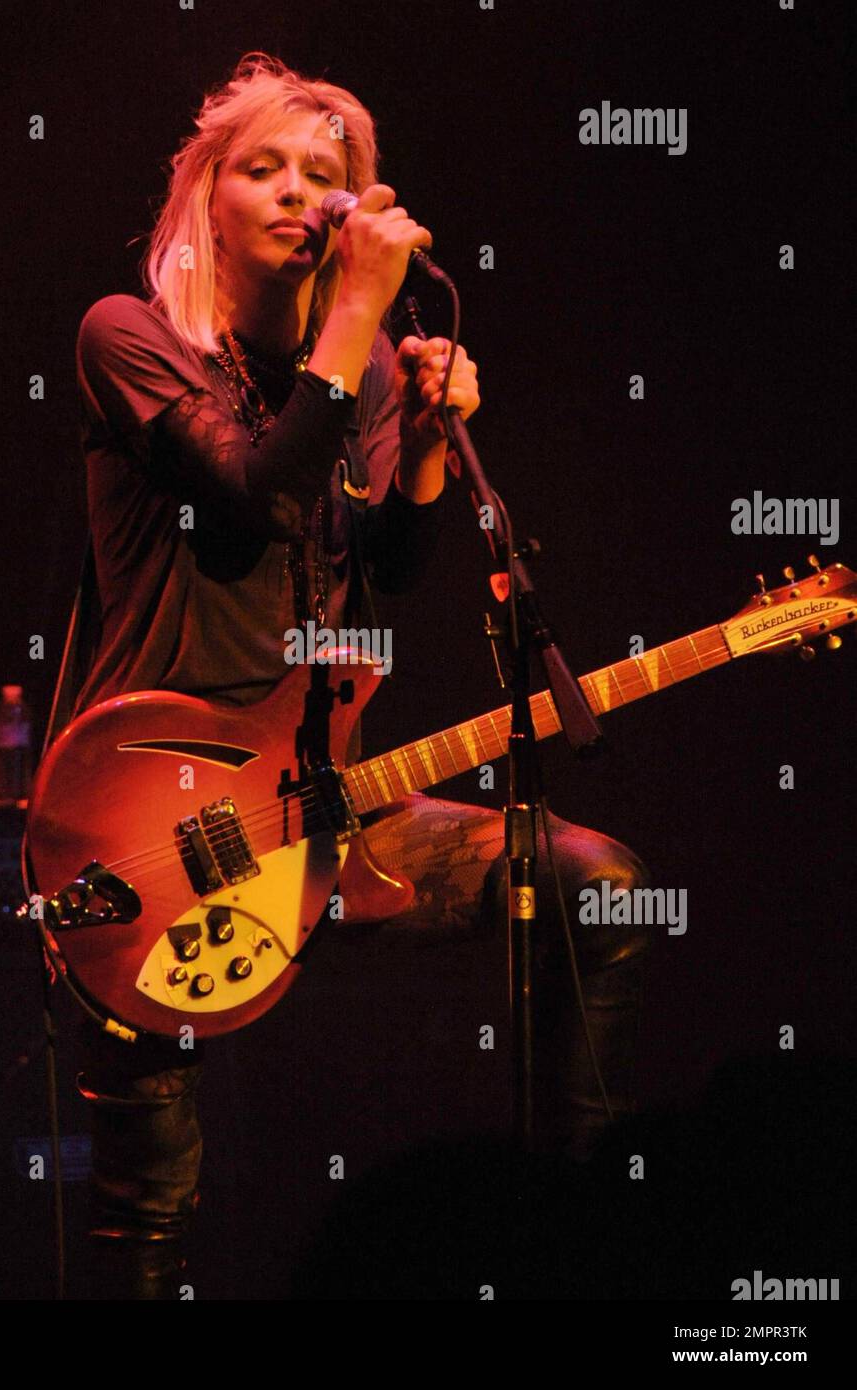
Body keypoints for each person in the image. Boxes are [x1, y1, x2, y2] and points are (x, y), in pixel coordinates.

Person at [57, 53, 650, 1298]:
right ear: (203, 198)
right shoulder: (130, 337)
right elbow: (251, 492)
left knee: (594, 885)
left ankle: (583, 1248)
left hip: (326, 807)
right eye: (260, 167)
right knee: (144, 1210)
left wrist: (428, 445)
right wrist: (352, 321)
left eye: (322, 176)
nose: (293, 193)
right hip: (156, 822)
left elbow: (387, 566)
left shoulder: (369, 373)